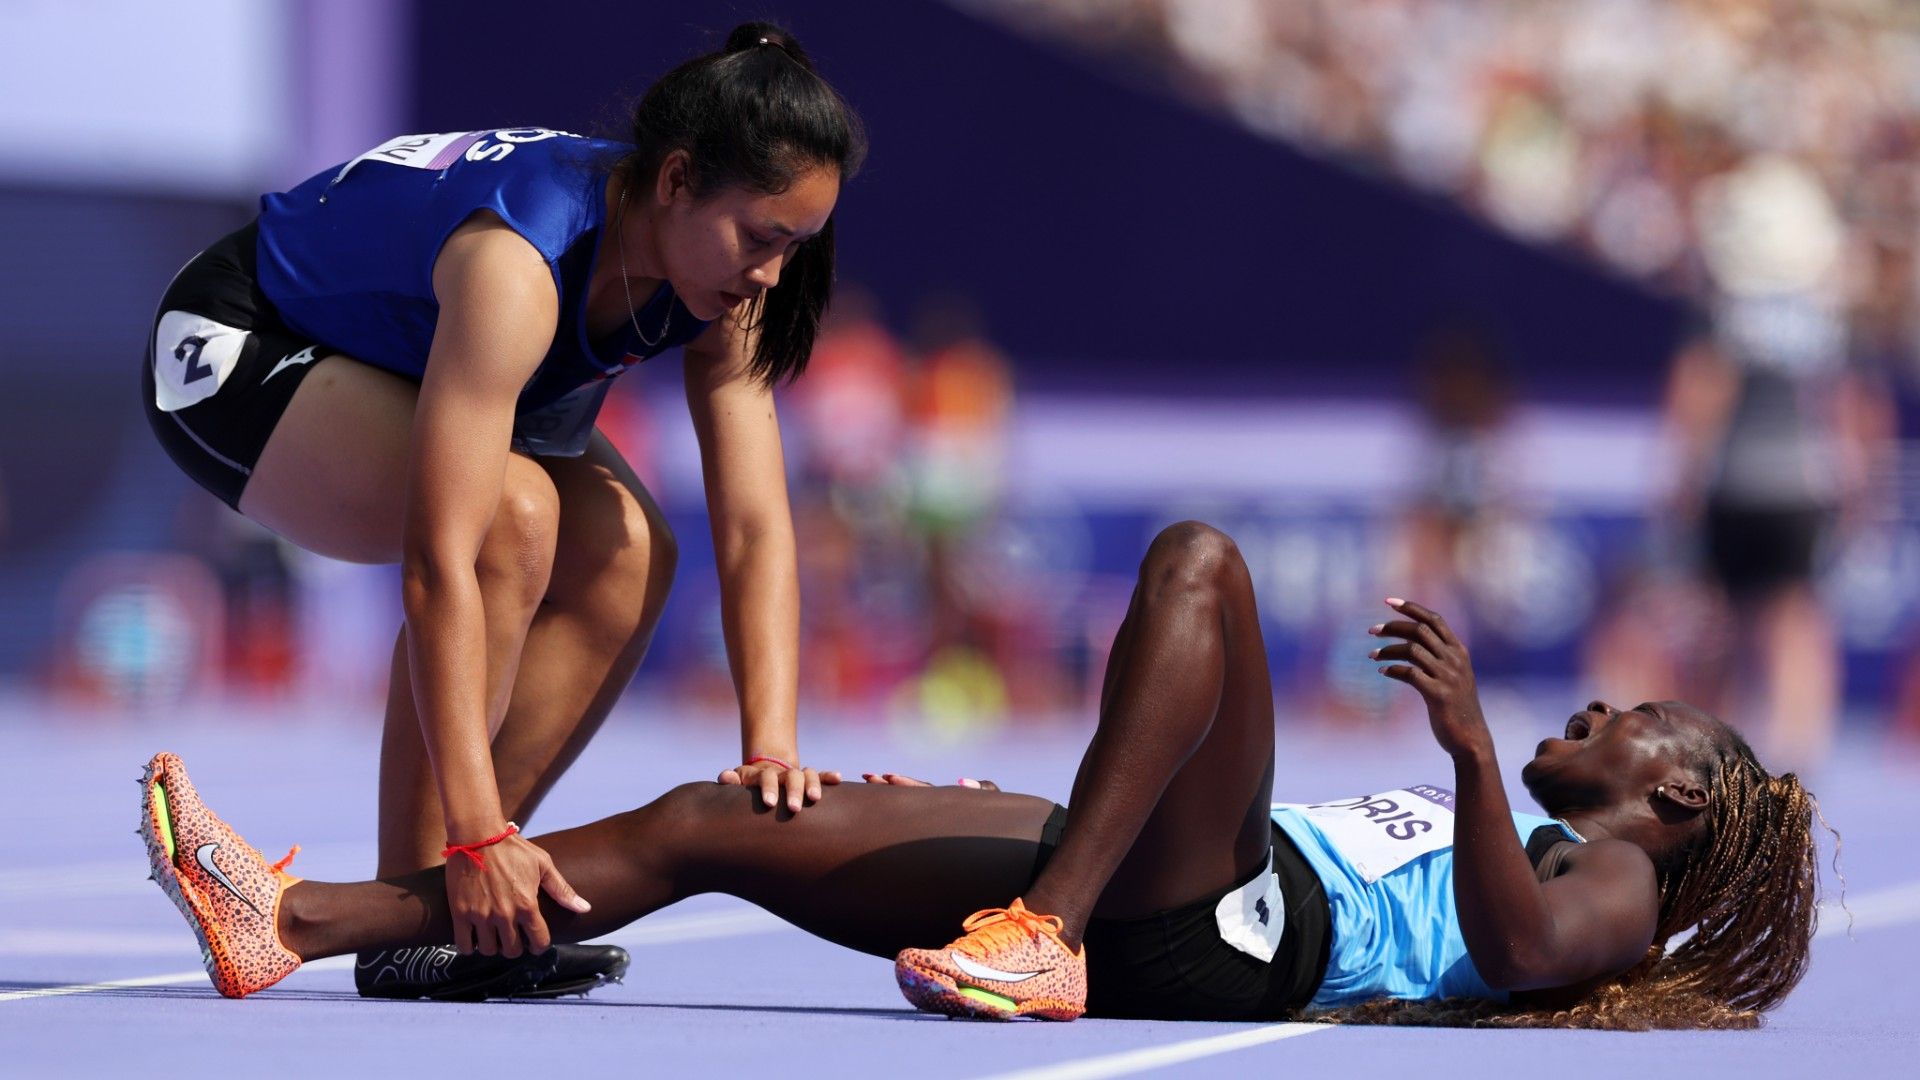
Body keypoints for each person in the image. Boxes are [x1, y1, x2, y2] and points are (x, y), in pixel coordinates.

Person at [138, 522, 1824, 1028]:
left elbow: (1523, 958)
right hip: (1166, 878)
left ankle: (1043, 934)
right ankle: (291, 916)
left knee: (1201, 570)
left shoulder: (1618, 887)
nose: (1603, 711)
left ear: (1672, 806)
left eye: (1635, 724)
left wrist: (1465, 752)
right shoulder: (1549, 824)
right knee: (719, 820)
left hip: (1245, 931)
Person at [139, 22, 864, 1000]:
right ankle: (419, 912)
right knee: (513, 518)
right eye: (762, 239)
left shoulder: (725, 283)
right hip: (235, 346)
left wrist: (770, 746)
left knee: (633, 553)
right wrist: (477, 829)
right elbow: (439, 564)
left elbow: (754, 525)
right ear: (679, 181)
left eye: (795, 247)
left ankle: (436, 905)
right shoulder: (516, 265)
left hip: (398, 358)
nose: (772, 276)